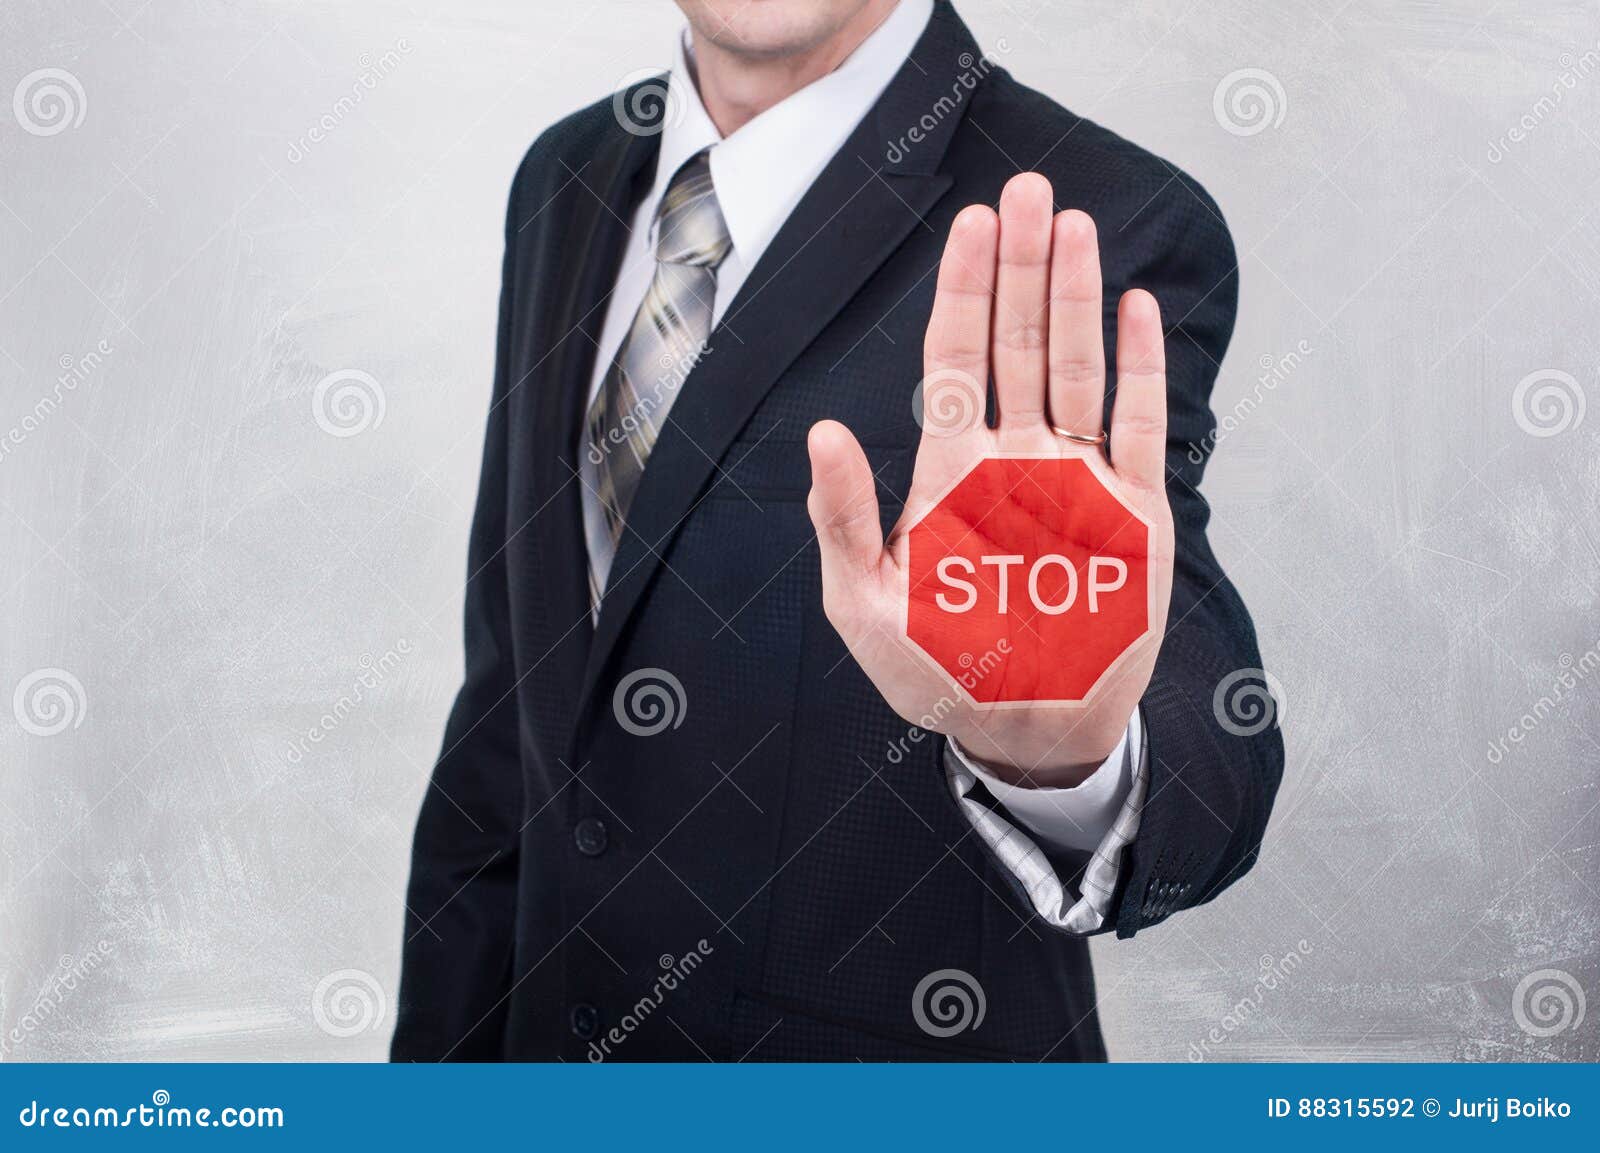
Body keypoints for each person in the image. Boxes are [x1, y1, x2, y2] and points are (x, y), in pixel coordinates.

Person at [393, 0, 1283, 1061]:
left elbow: (1208, 738)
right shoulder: (565, 177)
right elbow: (508, 721)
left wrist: (1062, 759)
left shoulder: (1092, 218)